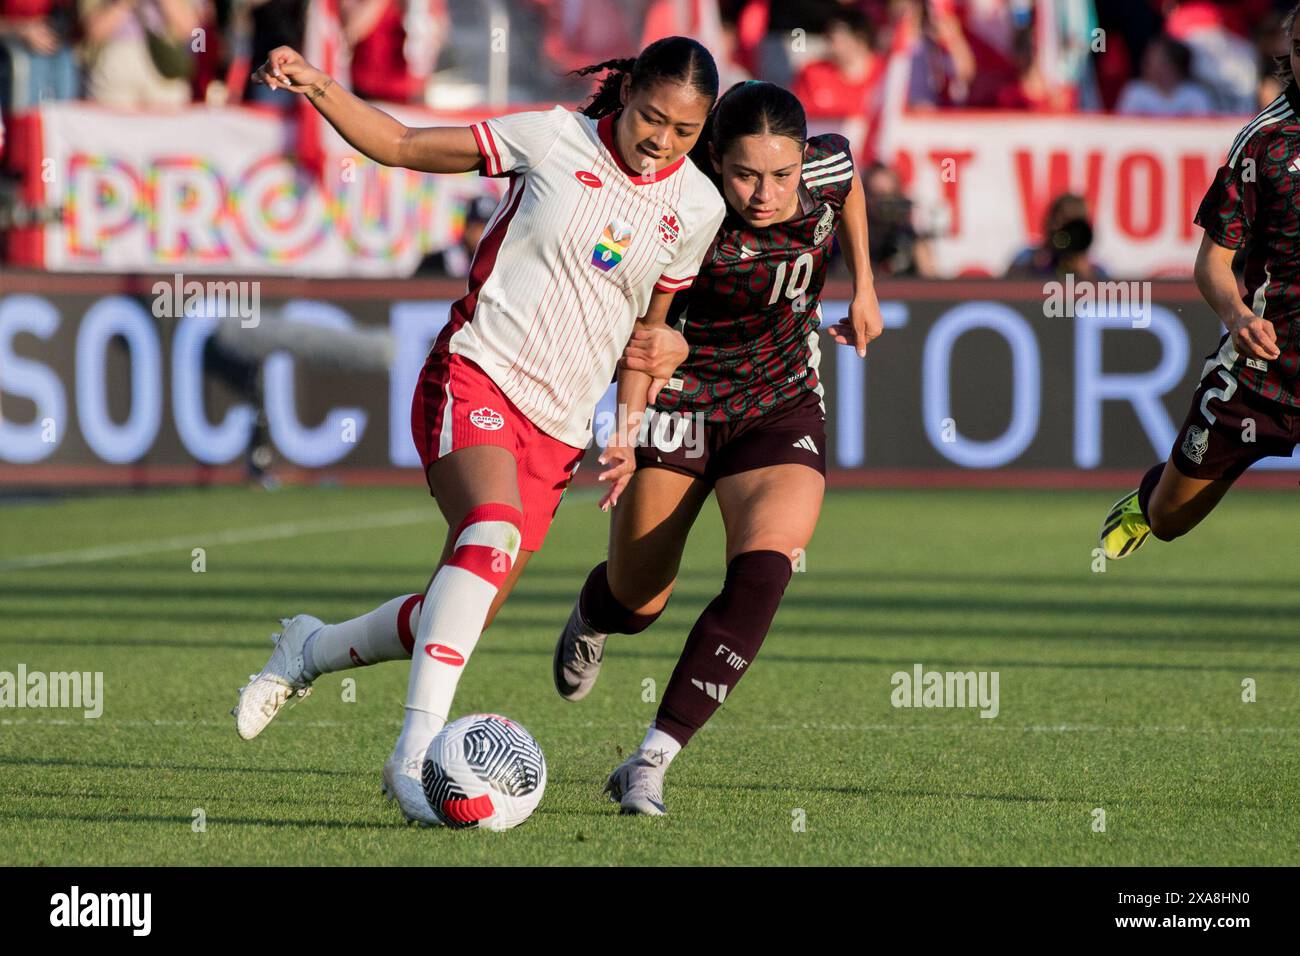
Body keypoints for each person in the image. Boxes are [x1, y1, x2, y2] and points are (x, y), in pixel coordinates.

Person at [231, 36, 727, 828]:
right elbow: (397, 144)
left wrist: (627, 430)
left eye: (684, 132)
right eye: (650, 117)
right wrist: (319, 84)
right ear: (626, 92)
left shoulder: (697, 207)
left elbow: (648, 331)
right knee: (489, 532)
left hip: (559, 431)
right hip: (476, 373)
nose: (660, 140)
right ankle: (413, 757)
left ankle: (308, 649)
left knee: (452, 612)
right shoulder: (553, 138)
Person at [553, 80, 885, 815]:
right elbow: (643, 329)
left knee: (765, 570)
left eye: (781, 175)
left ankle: (650, 759)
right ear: (714, 159)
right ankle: (595, 612)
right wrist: (628, 430)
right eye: (744, 174)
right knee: (638, 600)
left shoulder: (823, 170)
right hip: (682, 402)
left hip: (779, 402)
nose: (764, 194)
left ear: (802, 161)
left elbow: (850, 182)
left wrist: (864, 286)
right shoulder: (684, 203)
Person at [1099, 3, 1300, 562]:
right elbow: (1212, 263)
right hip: (1263, 366)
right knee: (1169, 519)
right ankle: (1149, 500)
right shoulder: (1264, 144)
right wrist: (1238, 316)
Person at [1115, 33, 1215, 116]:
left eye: (1159, 62)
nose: (1148, 65)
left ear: (1174, 65)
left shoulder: (1195, 94)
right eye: (1148, 60)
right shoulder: (1135, 92)